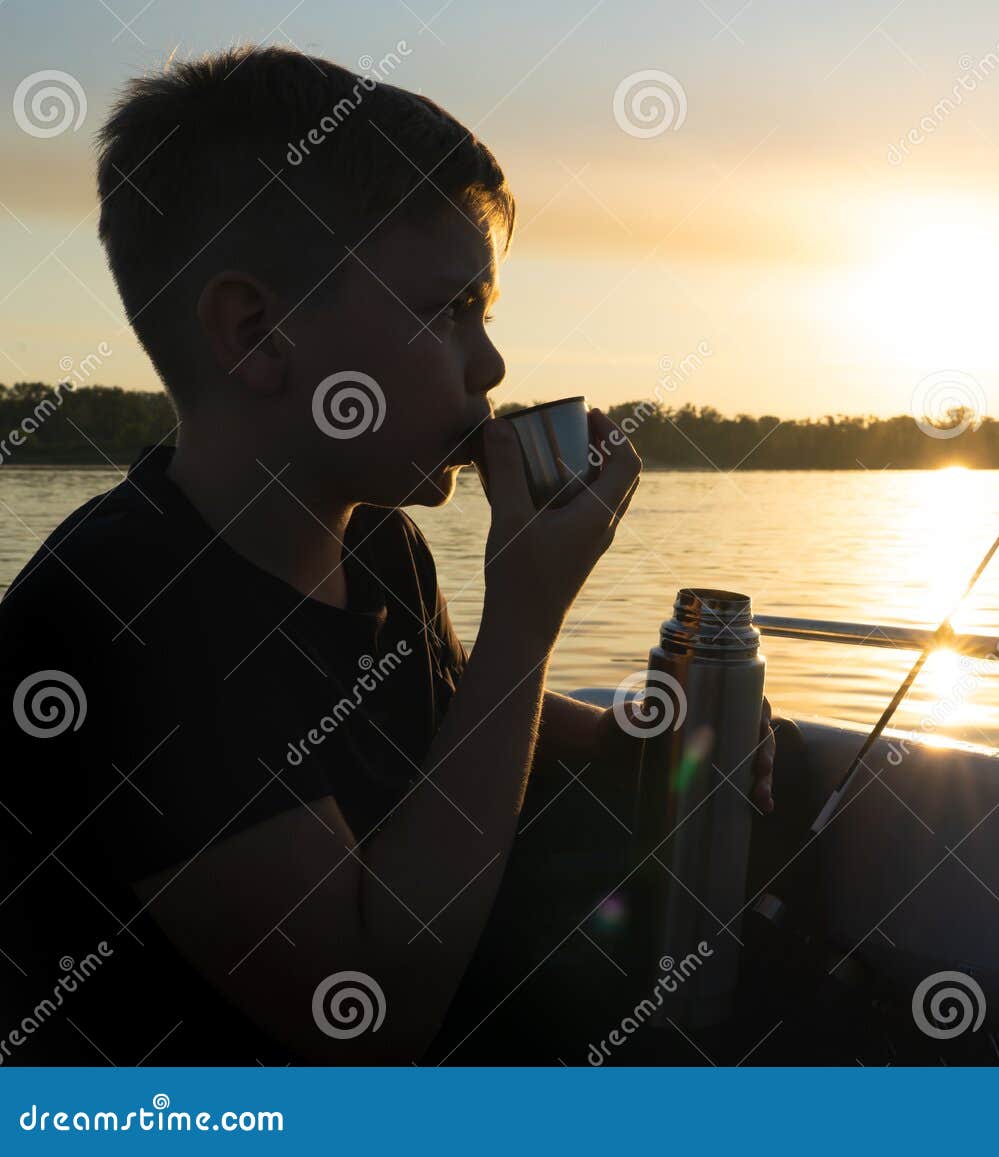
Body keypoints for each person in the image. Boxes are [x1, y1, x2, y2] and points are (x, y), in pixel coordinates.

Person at [0, 45, 775, 1066]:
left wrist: (653, 730)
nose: (491, 363)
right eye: (448, 311)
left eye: (484, 314)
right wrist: (526, 615)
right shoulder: (122, 616)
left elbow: (448, 722)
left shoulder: (376, 544)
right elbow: (370, 1013)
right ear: (257, 331)